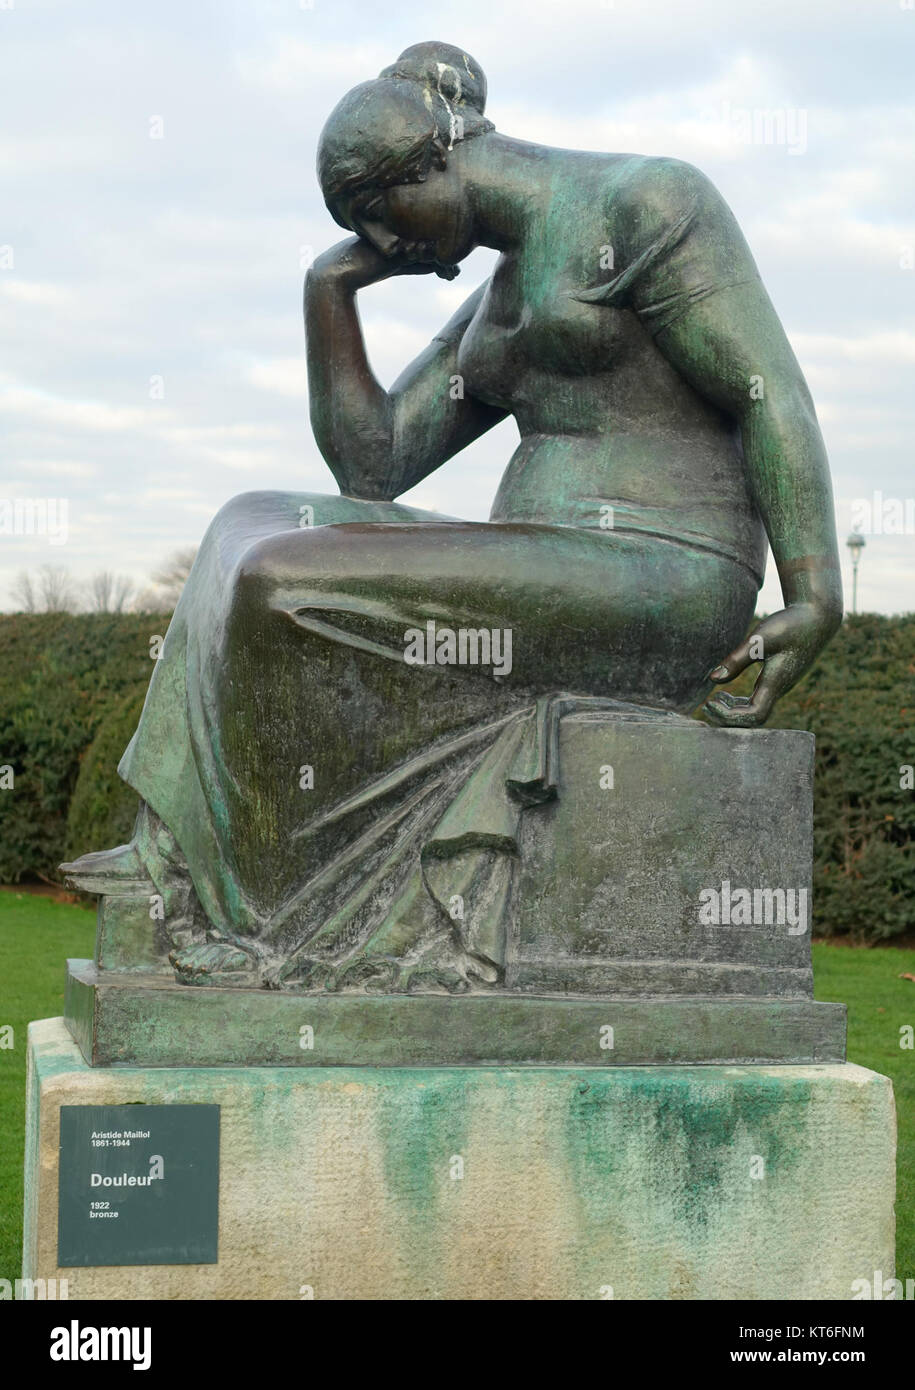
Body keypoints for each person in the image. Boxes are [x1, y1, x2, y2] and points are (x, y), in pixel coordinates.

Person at [62, 42, 842, 993]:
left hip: (664, 570)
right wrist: (329, 291)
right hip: (546, 566)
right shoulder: (494, 303)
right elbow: (372, 463)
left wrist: (812, 594)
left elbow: (768, 393)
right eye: (361, 231)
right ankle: (174, 856)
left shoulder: (649, 203)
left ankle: (248, 911)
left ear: (431, 161)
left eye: (375, 216)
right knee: (248, 521)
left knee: (277, 577)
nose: (382, 246)